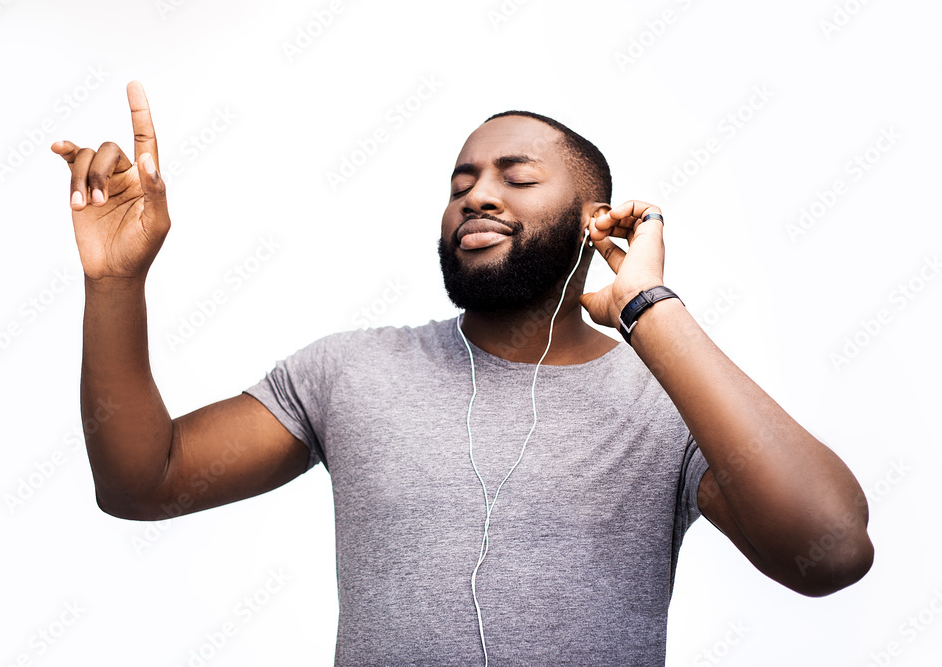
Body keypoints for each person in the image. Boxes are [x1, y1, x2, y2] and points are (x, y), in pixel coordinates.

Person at [52, 81, 874, 665]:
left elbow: (831, 548)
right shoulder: (351, 371)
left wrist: (648, 307)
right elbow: (141, 481)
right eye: (461, 183)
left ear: (594, 222)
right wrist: (116, 282)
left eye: (517, 177)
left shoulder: (671, 401)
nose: (477, 196)